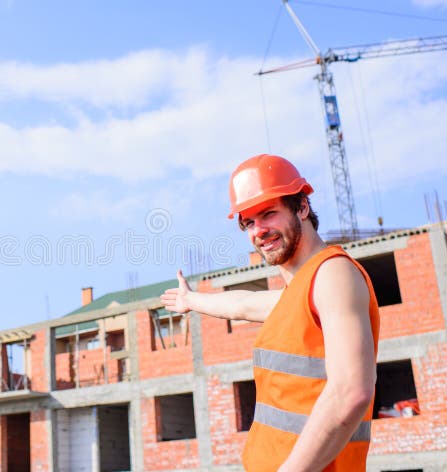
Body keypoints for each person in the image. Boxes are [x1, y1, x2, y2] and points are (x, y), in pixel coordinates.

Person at [161, 154, 379, 471]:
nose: (259, 230)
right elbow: (243, 304)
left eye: (268, 214)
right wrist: (190, 300)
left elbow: (350, 391)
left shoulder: (332, 275)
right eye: (249, 222)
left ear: (302, 207)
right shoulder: (301, 291)